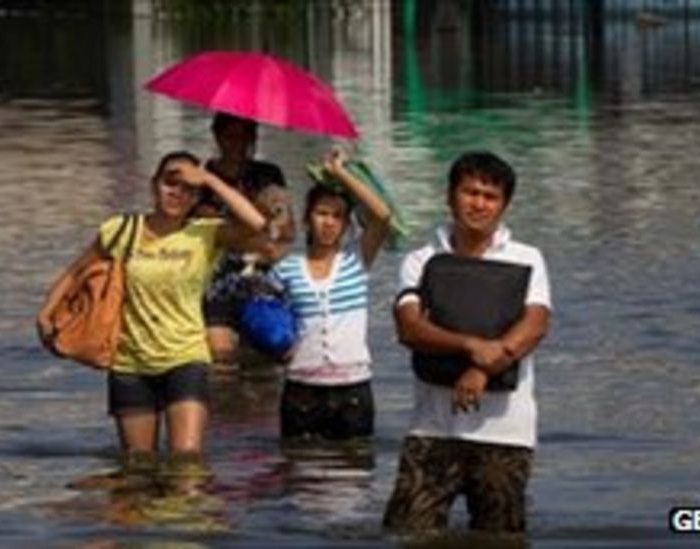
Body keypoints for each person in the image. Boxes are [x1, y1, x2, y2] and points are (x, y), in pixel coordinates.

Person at [36, 151, 271, 478]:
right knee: (137, 466)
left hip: (185, 359)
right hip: (131, 363)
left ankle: (185, 526)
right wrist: (46, 314)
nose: (178, 193)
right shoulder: (121, 230)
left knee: (186, 461)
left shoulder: (204, 233)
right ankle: (141, 528)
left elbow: (257, 223)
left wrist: (210, 179)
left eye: (189, 189)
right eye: (171, 183)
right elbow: (77, 272)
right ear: (154, 185)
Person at [382, 151, 551, 534]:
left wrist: (480, 370)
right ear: (450, 196)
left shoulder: (528, 259)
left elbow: (535, 325)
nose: (479, 203)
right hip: (432, 428)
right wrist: (471, 346)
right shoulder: (420, 260)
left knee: (500, 538)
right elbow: (409, 327)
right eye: (470, 192)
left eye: (490, 196)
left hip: (505, 431)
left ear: (505, 205)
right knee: (407, 532)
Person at [271, 148, 391, 440]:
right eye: (321, 213)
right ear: (307, 219)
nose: (328, 223)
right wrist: (274, 348)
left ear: (346, 224)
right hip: (302, 390)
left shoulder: (356, 260)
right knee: (301, 477)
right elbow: (264, 316)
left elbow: (382, 216)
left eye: (337, 216)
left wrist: (341, 174)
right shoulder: (286, 269)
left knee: (353, 477)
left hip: (353, 389)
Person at [195, 113, 296, 367]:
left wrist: (244, 231)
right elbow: (212, 234)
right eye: (230, 136)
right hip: (216, 281)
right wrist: (258, 222)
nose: (237, 144)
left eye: (245, 136)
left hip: (262, 277)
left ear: (254, 137)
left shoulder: (268, 174)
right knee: (221, 358)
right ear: (217, 136)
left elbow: (284, 234)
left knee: (269, 356)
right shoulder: (204, 179)